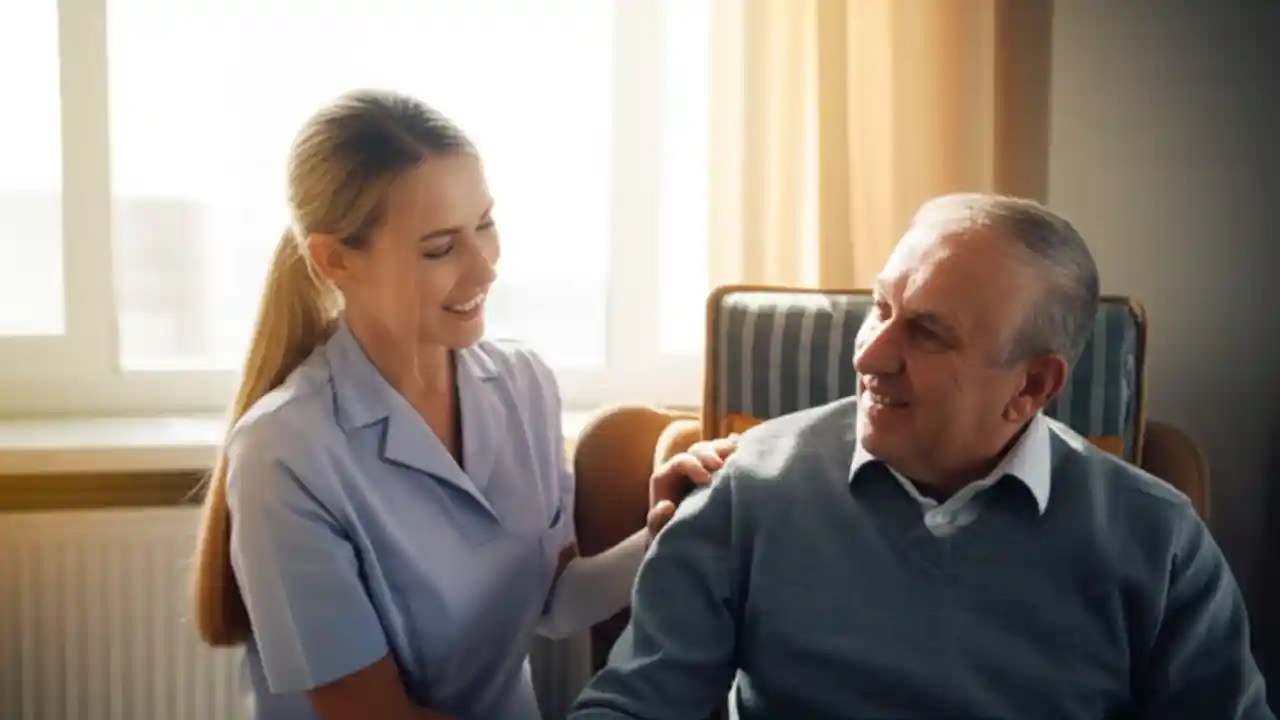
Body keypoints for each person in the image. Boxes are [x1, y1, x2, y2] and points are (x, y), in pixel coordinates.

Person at [570, 193, 1274, 719]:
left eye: (927, 333)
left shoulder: (1157, 539)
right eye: (880, 308)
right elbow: (636, 706)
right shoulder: (746, 486)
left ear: (1032, 384)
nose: (871, 355)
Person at [189, 89, 733, 720]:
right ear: (335, 259)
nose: (484, 270)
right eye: (441, 248)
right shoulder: (284, 450)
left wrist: (667, 530)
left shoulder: (523, 383)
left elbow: (554, 599)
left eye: (485, 225)